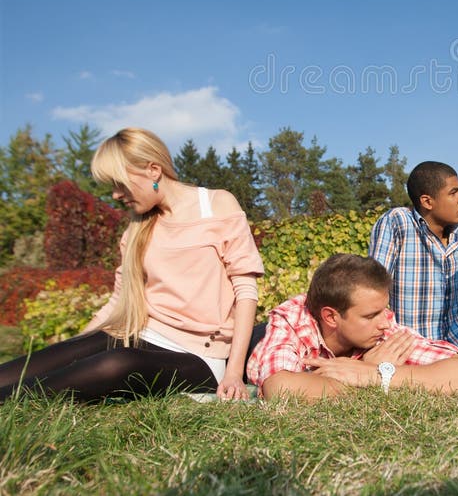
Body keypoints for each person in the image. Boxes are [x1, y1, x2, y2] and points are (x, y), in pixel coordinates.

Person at [0, 127, 264, 403]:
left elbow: (245, 291)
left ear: (153, 170)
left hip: (199, 355)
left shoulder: (217, 205)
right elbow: (117, 302)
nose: (115, 195)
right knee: (46, 360)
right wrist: (73, 349)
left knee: (118, 363)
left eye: (119, 184)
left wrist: (234, 372)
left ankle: (7, 401)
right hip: (137, 334)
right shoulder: (136, 230)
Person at [246, 253, 458, 401]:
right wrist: (364, 368)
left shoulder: (381, 327)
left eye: (384, 309)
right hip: (255, 340)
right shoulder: (293, 320)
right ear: (331, 316)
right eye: (371, 315)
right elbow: (281, 391)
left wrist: (374, 374)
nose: (385, 322)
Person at [369, 161, 458, 360]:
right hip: (413, 346)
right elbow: (371, 286)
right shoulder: (397, 223)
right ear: (427, 202)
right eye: (453, 193)